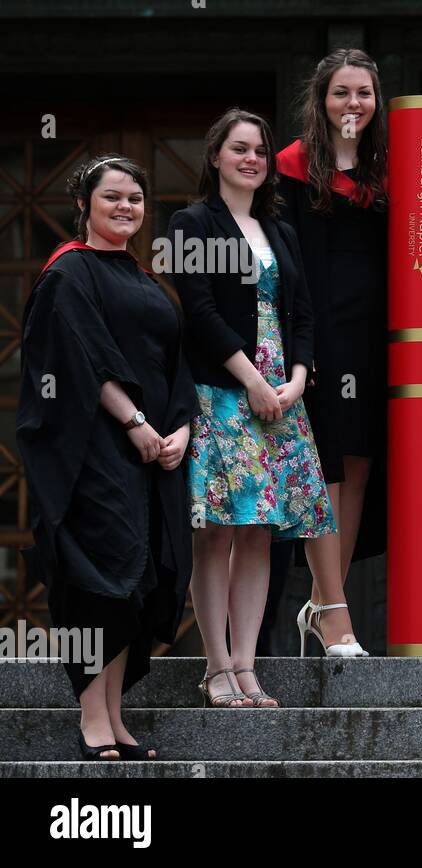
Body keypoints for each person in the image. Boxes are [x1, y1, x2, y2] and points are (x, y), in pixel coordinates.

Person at [19, 155, 197, 758]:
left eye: (136, 199)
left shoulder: (145, 279)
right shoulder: (69, 273)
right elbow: (78, 357)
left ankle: (116, 716)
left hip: (151, 456)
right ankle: (92, 717)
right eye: (113, 197)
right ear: (85, 204)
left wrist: (181, 430)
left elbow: (175, 365)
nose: (126, 207)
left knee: (138, 581)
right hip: (93, 454)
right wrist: (135, 421)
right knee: (102, 579)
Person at [170, 109, 336, 707]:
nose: (252, 160)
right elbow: (201, 314)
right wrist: (253, 383)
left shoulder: (280, 230)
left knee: (263, 533)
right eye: (239, 149)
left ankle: (246, 666)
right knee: (216, 532)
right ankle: (215, 667)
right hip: (222, 394)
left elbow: (304, 317)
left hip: (282, 399)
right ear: (214, 156)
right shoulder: (191, 224)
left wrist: (292, 382)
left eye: (261, 152)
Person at [277, 48, 388, 657]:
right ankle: (333, 612)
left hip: (374, 335)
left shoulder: (388, 173)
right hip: (320, 334)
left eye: (364, 93)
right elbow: (284, 266)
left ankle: (326, 605)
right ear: (321, 101)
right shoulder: (292, 168)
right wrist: (300, 342)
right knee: (327, 469)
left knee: (362, 462)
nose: (353, 104)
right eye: (342, 92)